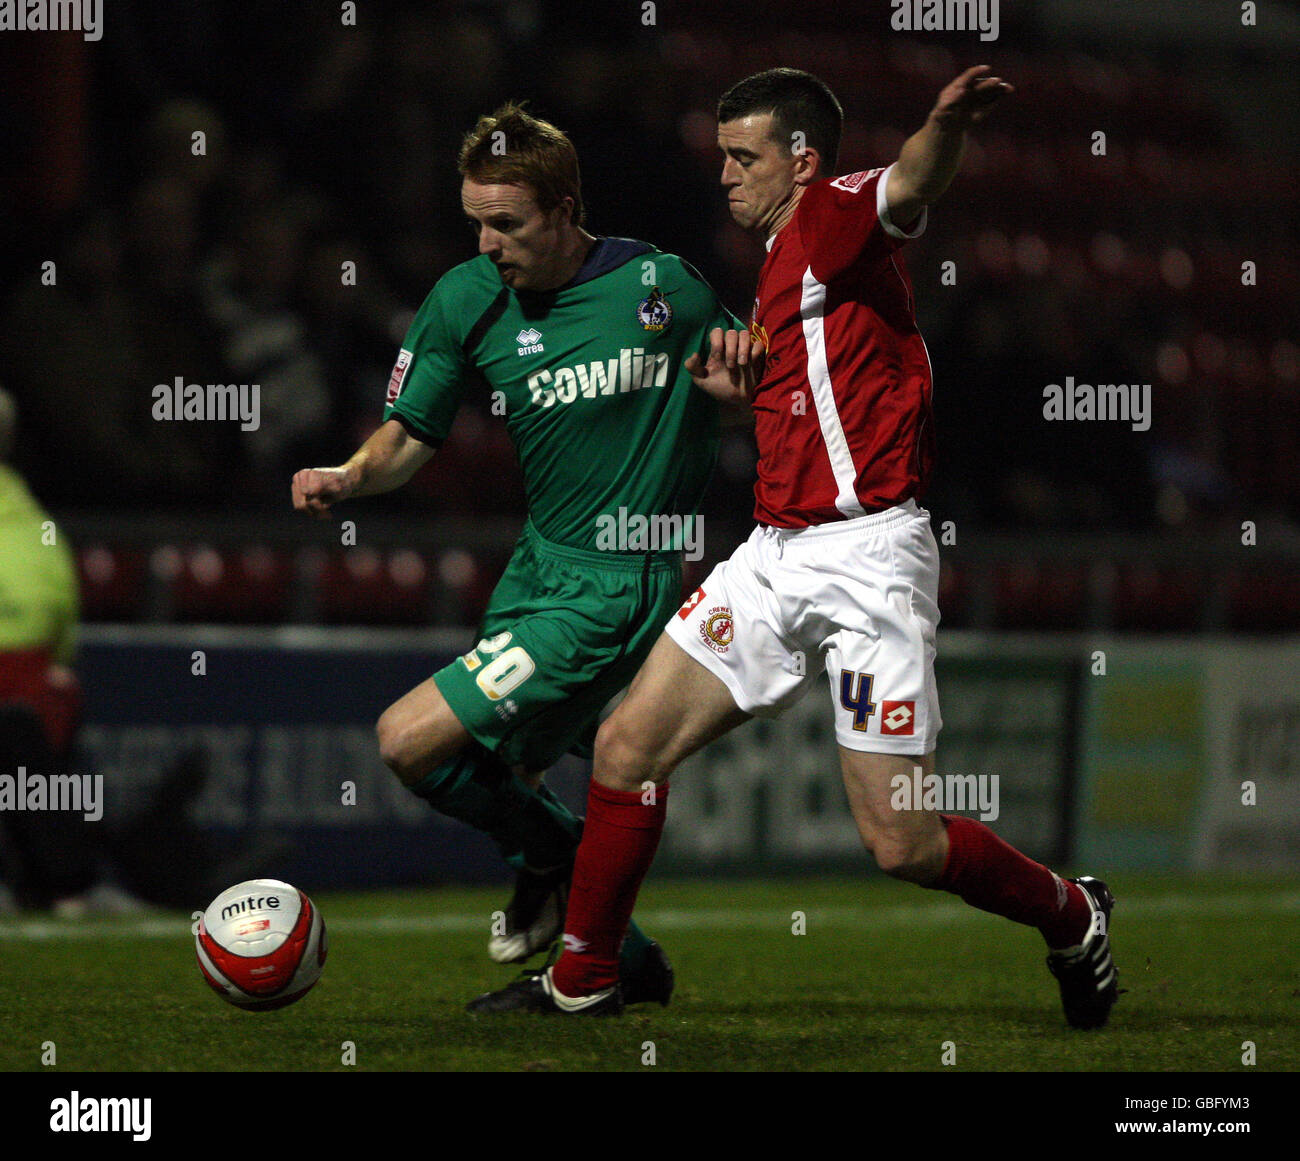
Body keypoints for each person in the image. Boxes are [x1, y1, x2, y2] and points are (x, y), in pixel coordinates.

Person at [471, 67, 1120, 1031]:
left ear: (803, 161)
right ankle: (585, 978)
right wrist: (750, 401)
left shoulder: (834, 212)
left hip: (868, 562)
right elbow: (824, 405)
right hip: (775, 554)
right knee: (626, 745)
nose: (726, 175)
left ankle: (1072, 913)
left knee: (898, 841)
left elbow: (910, 183)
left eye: (745, 156)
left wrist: (942, 125)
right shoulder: (780, 264)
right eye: (722, 156)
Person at [292, 103, 747, 1004]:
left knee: (406, 738)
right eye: (476, 223)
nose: (489, 243)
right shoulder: (466, 298)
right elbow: (409, 434)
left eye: (509, 223)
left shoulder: (665, 287)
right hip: (537, 567)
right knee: (505, 773)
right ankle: (619, 952)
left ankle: (554, 870)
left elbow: (756, 367)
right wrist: (349, 475)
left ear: (567, 209)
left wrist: (740, 387)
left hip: (620, 581)